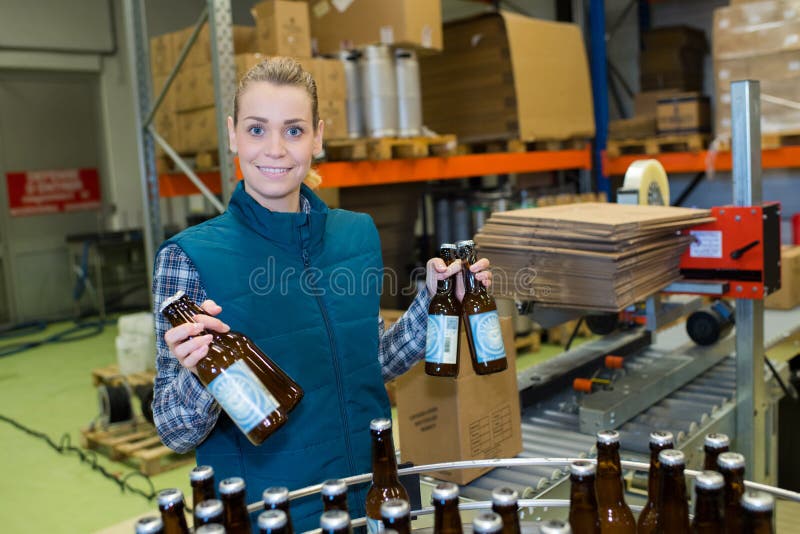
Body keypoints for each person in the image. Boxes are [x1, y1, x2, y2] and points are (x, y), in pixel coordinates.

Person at [152, 57, 493, 531]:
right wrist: (199, 373)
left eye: (293, 131)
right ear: (232, 134)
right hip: (274, 514)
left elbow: (371, 363)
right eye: (256, 130)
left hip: (371, 499)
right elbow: (173, 430)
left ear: (318, 137)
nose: (274, 149)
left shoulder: (356, 236)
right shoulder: (188, 257)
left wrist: (435, 302)